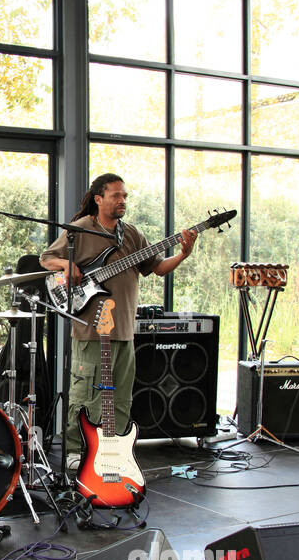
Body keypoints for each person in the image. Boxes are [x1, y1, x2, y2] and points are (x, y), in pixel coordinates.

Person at [40, 173, 195, 469]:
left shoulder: (133, 234)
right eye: (115, 195)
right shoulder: (81, 230)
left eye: (124, 196)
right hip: (90, 329)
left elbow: (158, 268)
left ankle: (114, 448)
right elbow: (46, 258)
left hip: (124, 329)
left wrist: (183, 255)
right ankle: (75, 451)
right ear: (98, 199)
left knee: (121, 397)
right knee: (84, 392)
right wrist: (67, 263)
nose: (122, 200)